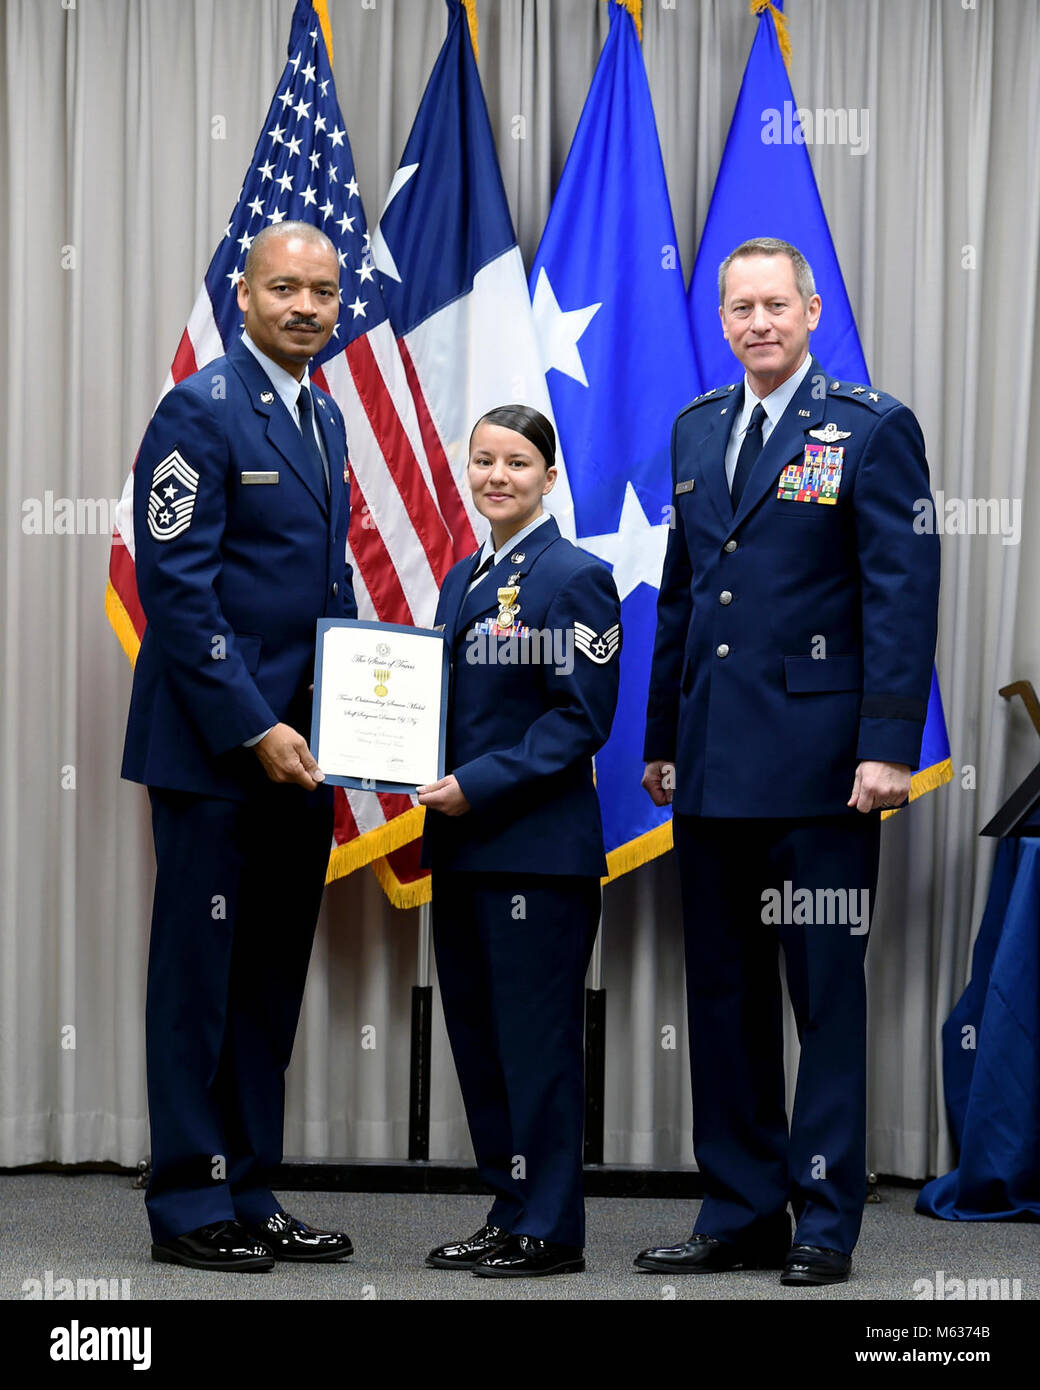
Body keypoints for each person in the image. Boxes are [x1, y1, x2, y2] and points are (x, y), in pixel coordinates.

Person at [635, 237, 940, 1286]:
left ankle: (820, 1221)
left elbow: (900, 595)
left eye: (775, 304)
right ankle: (736, 1210)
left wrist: (887, 746)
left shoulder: (869, 427)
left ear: (810, 311)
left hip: (822, 775)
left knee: (822, 997)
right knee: (720, 996)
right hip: (714, 769)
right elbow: (682, 599)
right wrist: (661, 743)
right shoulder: (695, 429)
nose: (757, 322)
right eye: (739, 308)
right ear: (720, 320)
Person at [122, 222, 356, 1271]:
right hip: (218, 754)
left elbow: (324, 589)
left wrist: (354, 713)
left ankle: (248, 1189)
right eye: (284, 289)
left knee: (265, 986)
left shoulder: (326, 416)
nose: (305, 306)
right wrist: (253, 724)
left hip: (303, 758)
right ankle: (186, 1205)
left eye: (321, 290)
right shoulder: (199, 410)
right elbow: (176, 588)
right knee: (198, 984)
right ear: (244, 295)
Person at [417, 405, 621, 1278]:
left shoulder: (576, 577)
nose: (497, 477)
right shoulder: (463, 578)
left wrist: (478, 784)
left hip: (536, 852)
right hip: (461, 850)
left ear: (550, 476)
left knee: (537, 1049)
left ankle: (552, 1227)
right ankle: (509, 1210)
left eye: (517, 462)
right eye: (483, 462)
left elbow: (581, 719)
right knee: (482, 1044)